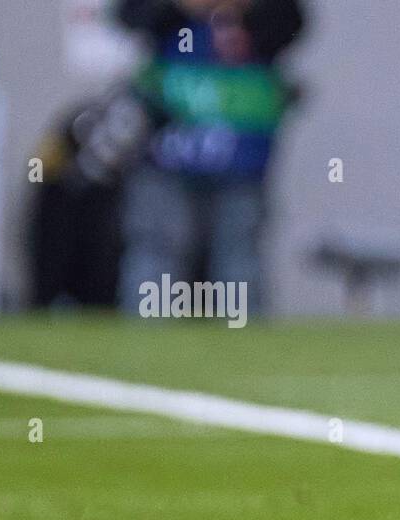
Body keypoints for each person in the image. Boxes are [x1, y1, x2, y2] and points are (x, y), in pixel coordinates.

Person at [115, 0, 305, 315]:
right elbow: (132, 15)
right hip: (168, 146)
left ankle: (245, 349)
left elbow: (290, 24)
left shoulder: (264, 17)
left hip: (242, 151)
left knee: (239, 255)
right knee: (156, 248)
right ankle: (145, 345)